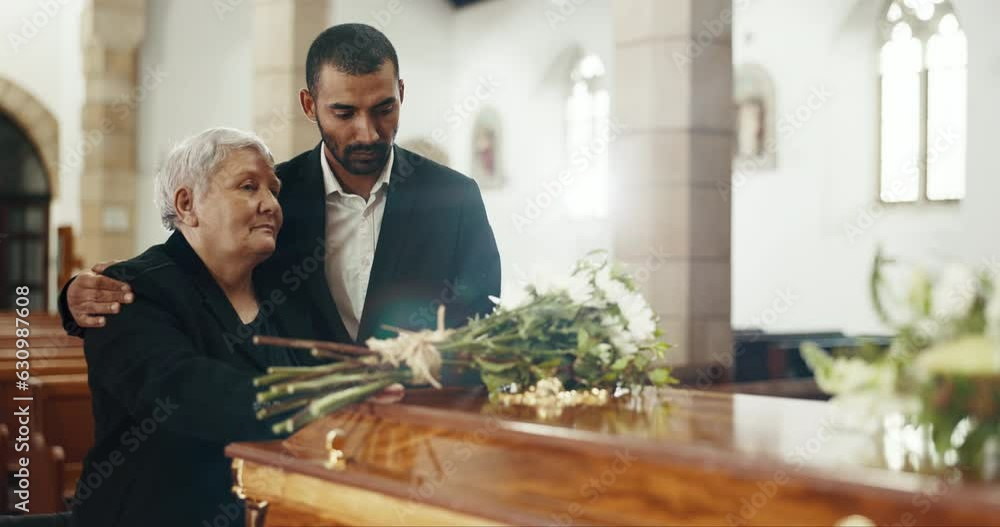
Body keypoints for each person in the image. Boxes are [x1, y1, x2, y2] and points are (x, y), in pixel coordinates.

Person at [58, 23, 502, 347]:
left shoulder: (455, 197)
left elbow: (482, 315)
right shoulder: (273, 195)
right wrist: (73, 300)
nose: (368, 132)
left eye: (384, 109)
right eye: (344, 113)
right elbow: (189, 270)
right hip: (295, 423)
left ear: (401, 93)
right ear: (310, 105)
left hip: (417, 423)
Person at [70, 128, 333, 526]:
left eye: (273, 190)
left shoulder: (286, 292)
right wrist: (325, 403)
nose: (270, 204)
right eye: (249, 187)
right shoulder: (129, 290)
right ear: (187, 204)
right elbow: (187, 395)